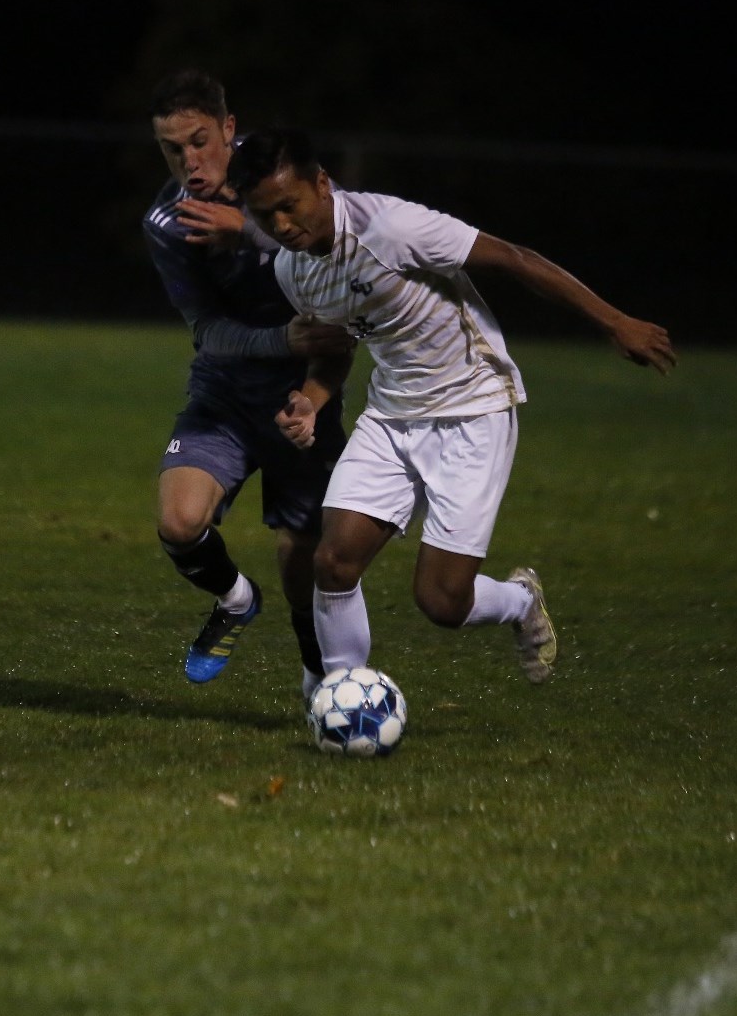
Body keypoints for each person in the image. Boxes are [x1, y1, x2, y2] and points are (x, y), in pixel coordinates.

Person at [225, 127, 677, 684]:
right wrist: (311, 401)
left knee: (441, 601)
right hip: (392, 414)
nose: (282, 227)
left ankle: (518, 601)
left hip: (473, 407)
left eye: (289, 207)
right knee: (333, 563)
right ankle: (337, 695)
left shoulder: (390, 228)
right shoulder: (292, 271)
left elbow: (515, 258)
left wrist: (615, 322)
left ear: (321, 184)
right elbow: (338, 350)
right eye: (265, 217)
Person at [143, 71, 356, 700]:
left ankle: (321, 682)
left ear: (229, 130)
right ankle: (235, 600)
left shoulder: (282, 171)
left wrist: (248, 229)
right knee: (180, 524)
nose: (190, 161)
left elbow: (339, 238)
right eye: (171, 149)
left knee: (303, 552)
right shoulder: (166, 222)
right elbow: (207, 330)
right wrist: (280, 339)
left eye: (200, 141)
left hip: (304, 389)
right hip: (226, 390)